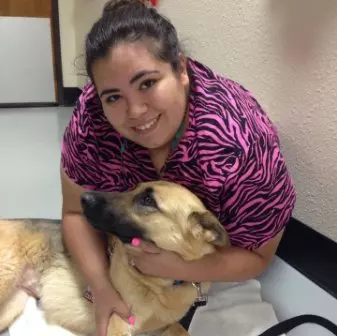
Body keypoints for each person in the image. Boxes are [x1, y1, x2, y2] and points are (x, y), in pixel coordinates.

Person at [60, 1, 296, 336]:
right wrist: (101, 287)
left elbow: (258, 256)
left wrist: (184, 266)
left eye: (147, 83)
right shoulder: (90, 121)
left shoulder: (239, 143)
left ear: (181, 70)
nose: (136, 111)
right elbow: (73, 212)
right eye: (113, 97)